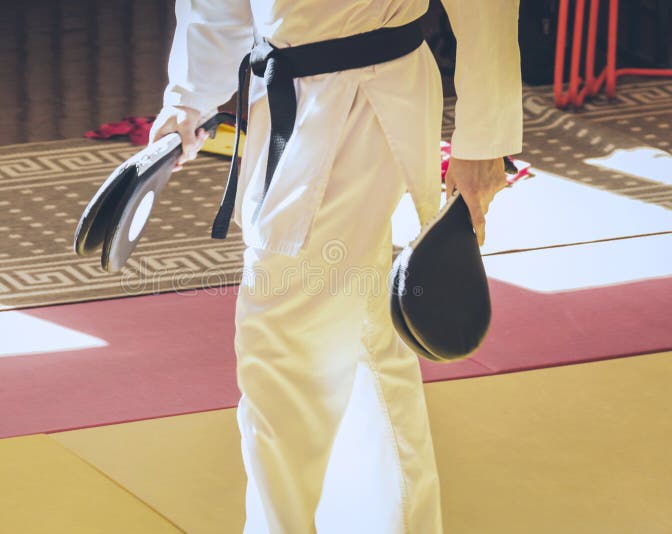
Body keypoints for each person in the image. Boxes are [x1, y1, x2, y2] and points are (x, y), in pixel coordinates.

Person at [150, 1, 522, 532]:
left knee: (278, 347)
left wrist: (483, 137)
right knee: (367, 338)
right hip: (293, 89)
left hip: (363, 91)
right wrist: (189, 97)